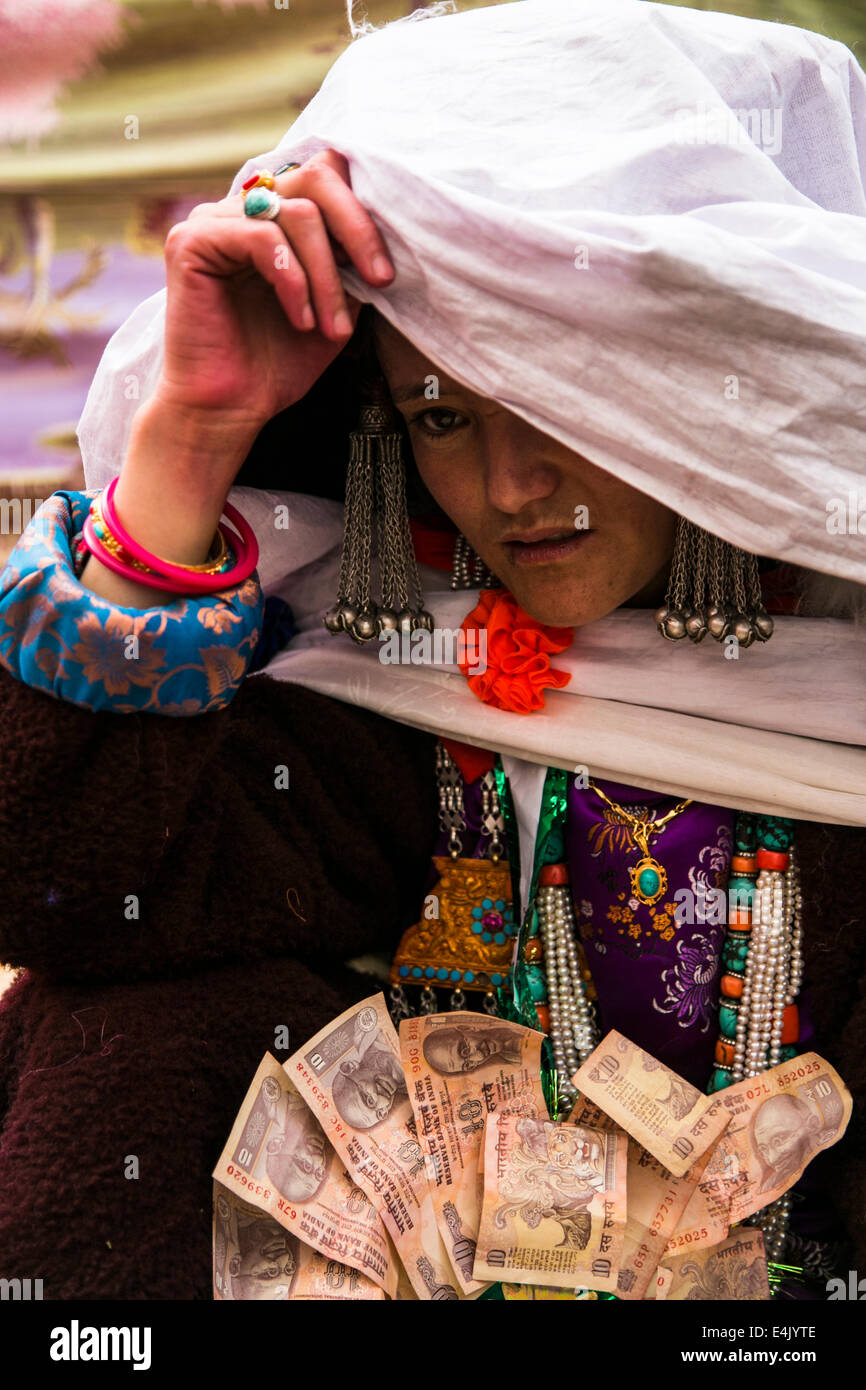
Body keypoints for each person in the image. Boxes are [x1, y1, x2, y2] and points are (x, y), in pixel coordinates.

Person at [0, 0, 865, 1302]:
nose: (514, 483)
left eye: (575, 394)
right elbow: (63, 890)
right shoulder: (395, 676)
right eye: (445, 412)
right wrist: (191, 432)